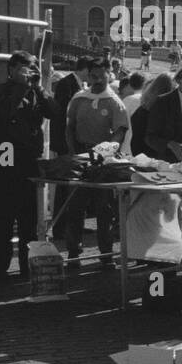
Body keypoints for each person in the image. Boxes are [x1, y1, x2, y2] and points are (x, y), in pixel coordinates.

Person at [0, 51, 57, 279]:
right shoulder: (2, 90)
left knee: (28, 218)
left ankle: (26, 268)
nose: (29, 73)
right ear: (11, 69)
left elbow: (54, 112)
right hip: (6, 161)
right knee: (4, 216)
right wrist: (21, 86)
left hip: (28, 160)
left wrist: (38, 88)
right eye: (24, 68)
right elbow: (5, 112)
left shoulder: (36, 90)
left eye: (32, 68)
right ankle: (0, 267)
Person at [63, 57, 128, 265]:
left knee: (105, 210)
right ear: (88, 76)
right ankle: (73, 252)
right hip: (81, 159)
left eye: (102, 75)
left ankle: (106, 255)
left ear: (110, 75)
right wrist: (75, 154)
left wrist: (104, 153)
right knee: (75, 208)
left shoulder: (115, 102)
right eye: (94, 75)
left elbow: (119, 133)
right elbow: (69, 128)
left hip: (104, 162)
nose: (98, 79)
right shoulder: (79, 98)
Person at [118, 72, 145, 156]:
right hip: (142, 149)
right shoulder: (147, 99)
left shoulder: (127, 100)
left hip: (126, 147)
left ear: (130, 84)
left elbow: (121, 125)